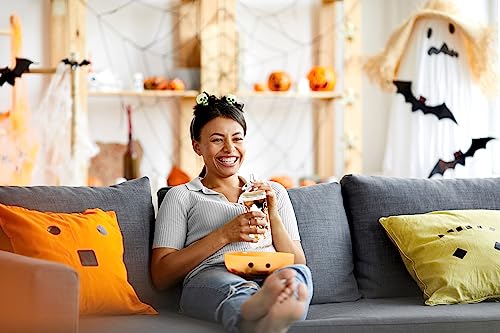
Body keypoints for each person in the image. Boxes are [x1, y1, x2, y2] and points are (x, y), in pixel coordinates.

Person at [151, 92, 313, 333]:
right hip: (211, 277)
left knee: (298, 274)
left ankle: (262, 314)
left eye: (237, 139)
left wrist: (273, 215)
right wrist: (225, 234)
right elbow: (161, 275)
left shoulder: (274, 192)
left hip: (269, 273)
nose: (229, 149)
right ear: (197, 146)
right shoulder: (181, 196)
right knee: (232, 288)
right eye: (217, 140)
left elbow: (298, 260)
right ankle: (259, 308)